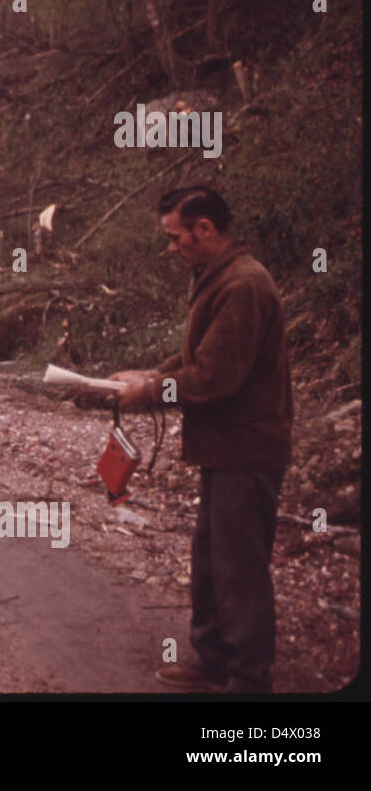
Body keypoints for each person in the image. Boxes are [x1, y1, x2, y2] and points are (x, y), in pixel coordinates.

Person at [109, 186, 293, 693]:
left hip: (248, 450)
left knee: (240, 570)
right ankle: (213, 662)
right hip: (224, 450)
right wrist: (149, 373)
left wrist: (148, 392)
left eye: (176, 237)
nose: (171, 247)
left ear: (204, 229)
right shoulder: (220, 279)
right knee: (211, 561)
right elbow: (197, 357)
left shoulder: (243, 286)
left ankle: (249, 680)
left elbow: (212, 377)